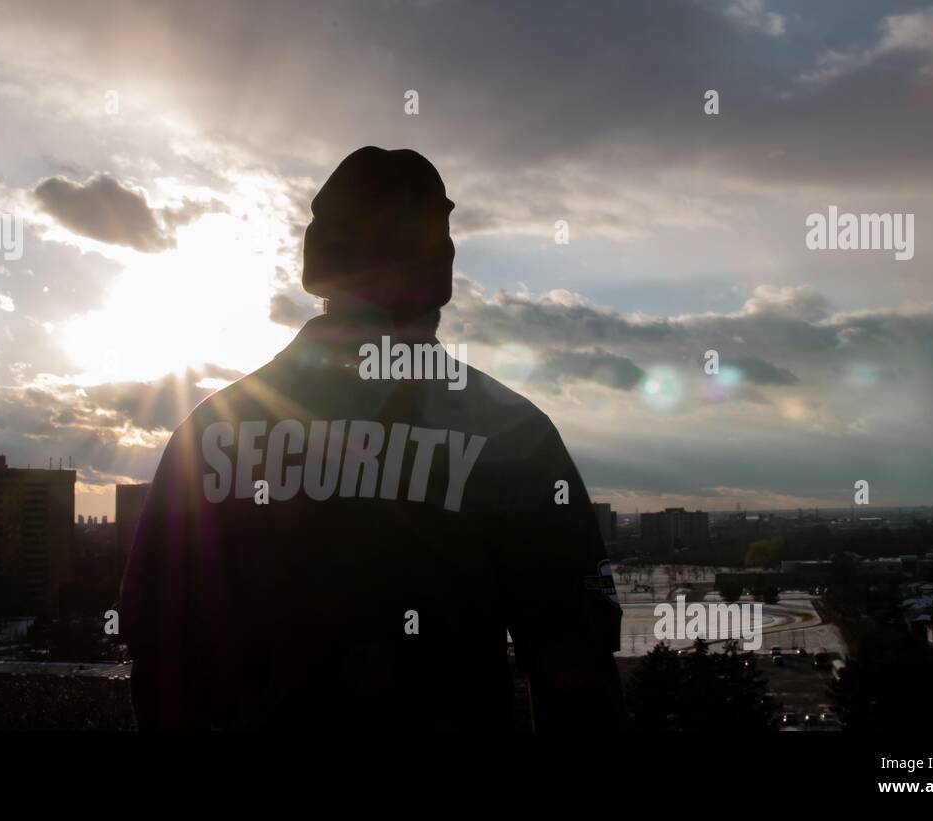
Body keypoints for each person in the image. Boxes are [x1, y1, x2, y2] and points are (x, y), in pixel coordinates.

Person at [119, 146, 624, 730]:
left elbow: (159, 661)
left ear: (321, 267)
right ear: (440, 274)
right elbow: (574, 672)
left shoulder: (210, 430)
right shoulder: (511, 435)